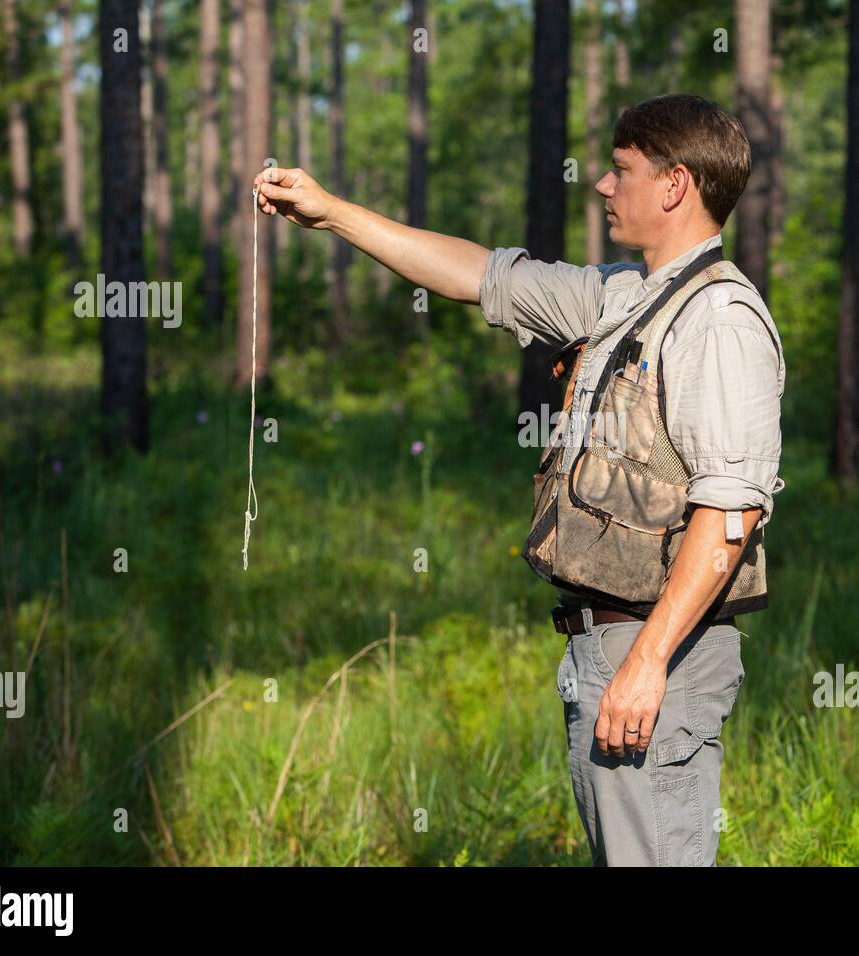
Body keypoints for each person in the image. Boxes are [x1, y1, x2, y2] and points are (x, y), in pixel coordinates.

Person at [254, 92, 785, 866]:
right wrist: (331, 212)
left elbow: (729, 514)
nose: (603, 186)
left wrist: (645, 664)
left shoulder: (720, 322)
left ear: (674, 186)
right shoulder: (623, 295)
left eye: (621, 171)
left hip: (654, 653)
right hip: (614, 647)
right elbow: (479, 275)